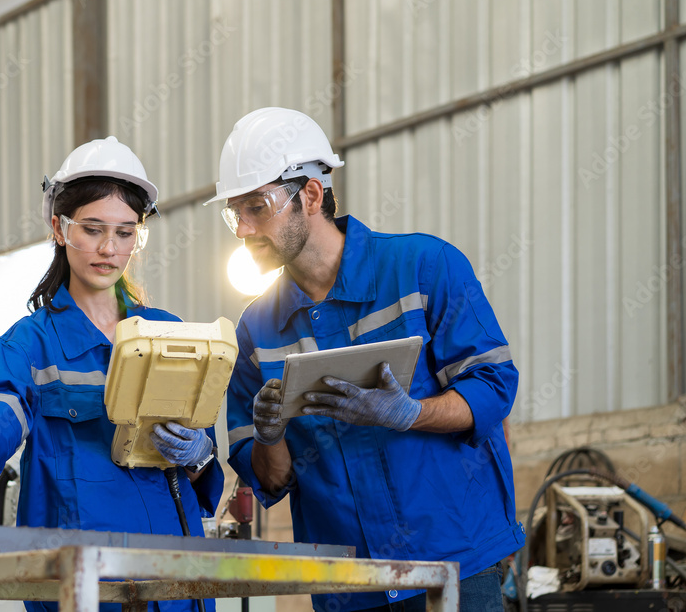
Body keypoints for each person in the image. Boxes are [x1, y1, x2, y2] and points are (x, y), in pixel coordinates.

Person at [207, 108, 523, 612]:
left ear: (310, 195)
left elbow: (492, 388)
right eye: (233, 213)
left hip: (455, 564)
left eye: (257, 206)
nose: (243, 229)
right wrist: (270, 434)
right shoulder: (256, 331)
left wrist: (412, 413)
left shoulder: (423, 268)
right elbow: (270, 479)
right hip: (352, 586)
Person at [0, 136, 224, 612]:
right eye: (93, 229)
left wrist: (199, 453)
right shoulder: (32, 342)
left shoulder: (171, 334)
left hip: (175, 584)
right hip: (83, 587)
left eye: (125, 232)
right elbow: (0, 414)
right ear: (60, 227)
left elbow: (198, 470)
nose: (109, 249)